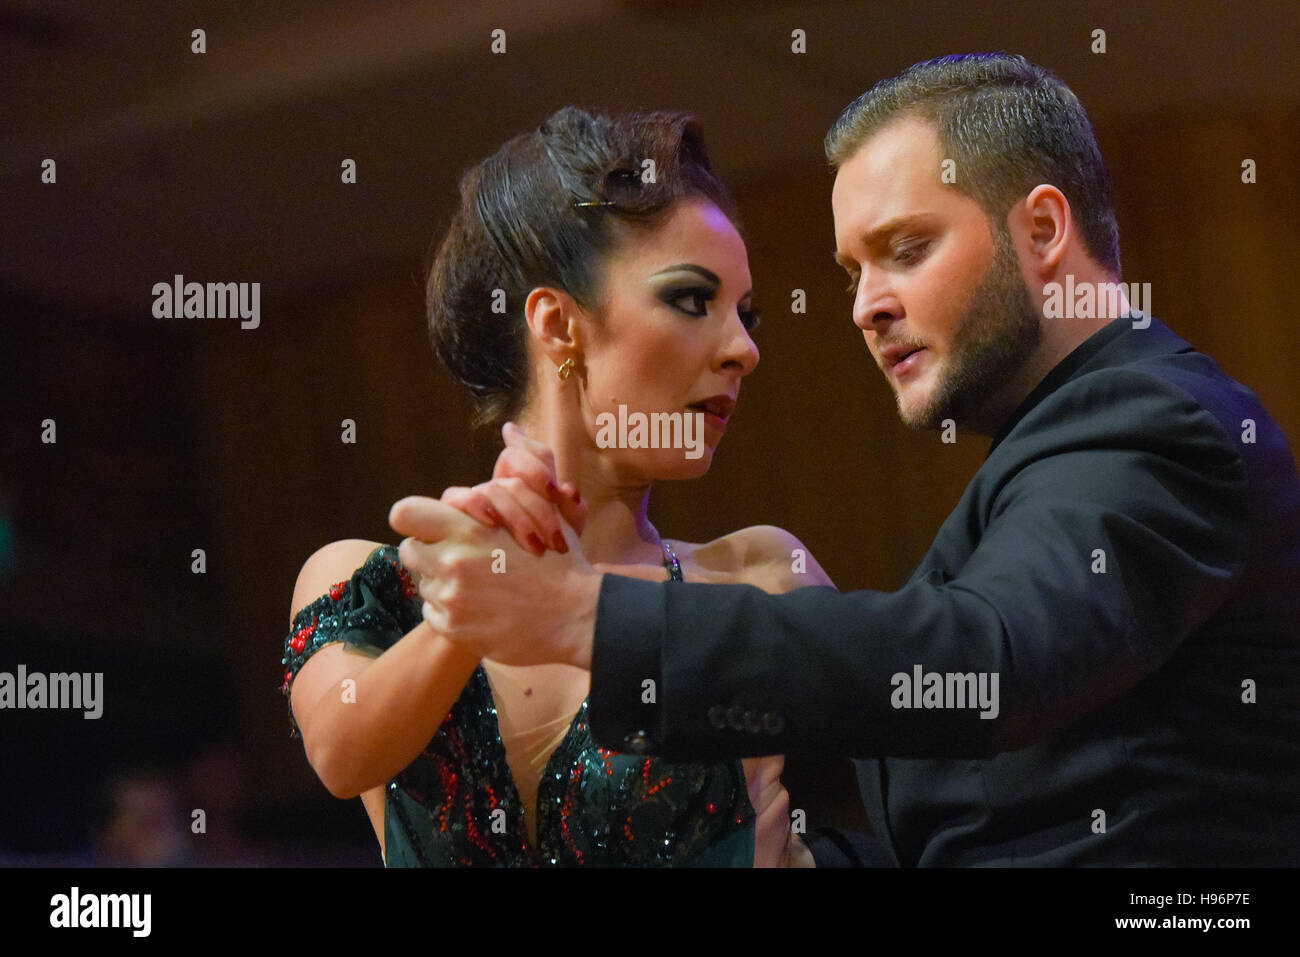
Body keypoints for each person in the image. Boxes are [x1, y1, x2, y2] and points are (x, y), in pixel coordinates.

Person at [390, 54, 1300, 866]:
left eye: (906, 249)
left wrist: (588, 618)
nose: (866, 306)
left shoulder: (1156, 418)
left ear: (1045, 229)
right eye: (850, 272)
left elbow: (985, 662)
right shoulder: (1060, 452)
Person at [283, 106, 821, 867]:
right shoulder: (365, 581)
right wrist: (470, 606)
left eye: (746, 314)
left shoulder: (759, 574)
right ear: (558, 323)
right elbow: (342, 754)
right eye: (693, 300)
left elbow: (947, 747)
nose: (744, 350)